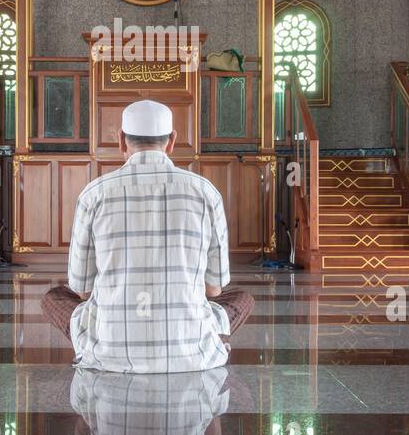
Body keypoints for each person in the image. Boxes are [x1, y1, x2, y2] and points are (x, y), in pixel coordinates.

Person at [41, 98, 254, 372]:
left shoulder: (94, 194)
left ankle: (104, 344)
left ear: (120, 140)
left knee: (54, 297)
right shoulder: (206, 192)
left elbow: (81, 290)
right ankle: (205, 339)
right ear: (172, 141)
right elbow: (214, 289)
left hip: (109, 348)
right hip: (190, 349)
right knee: (242, 298)